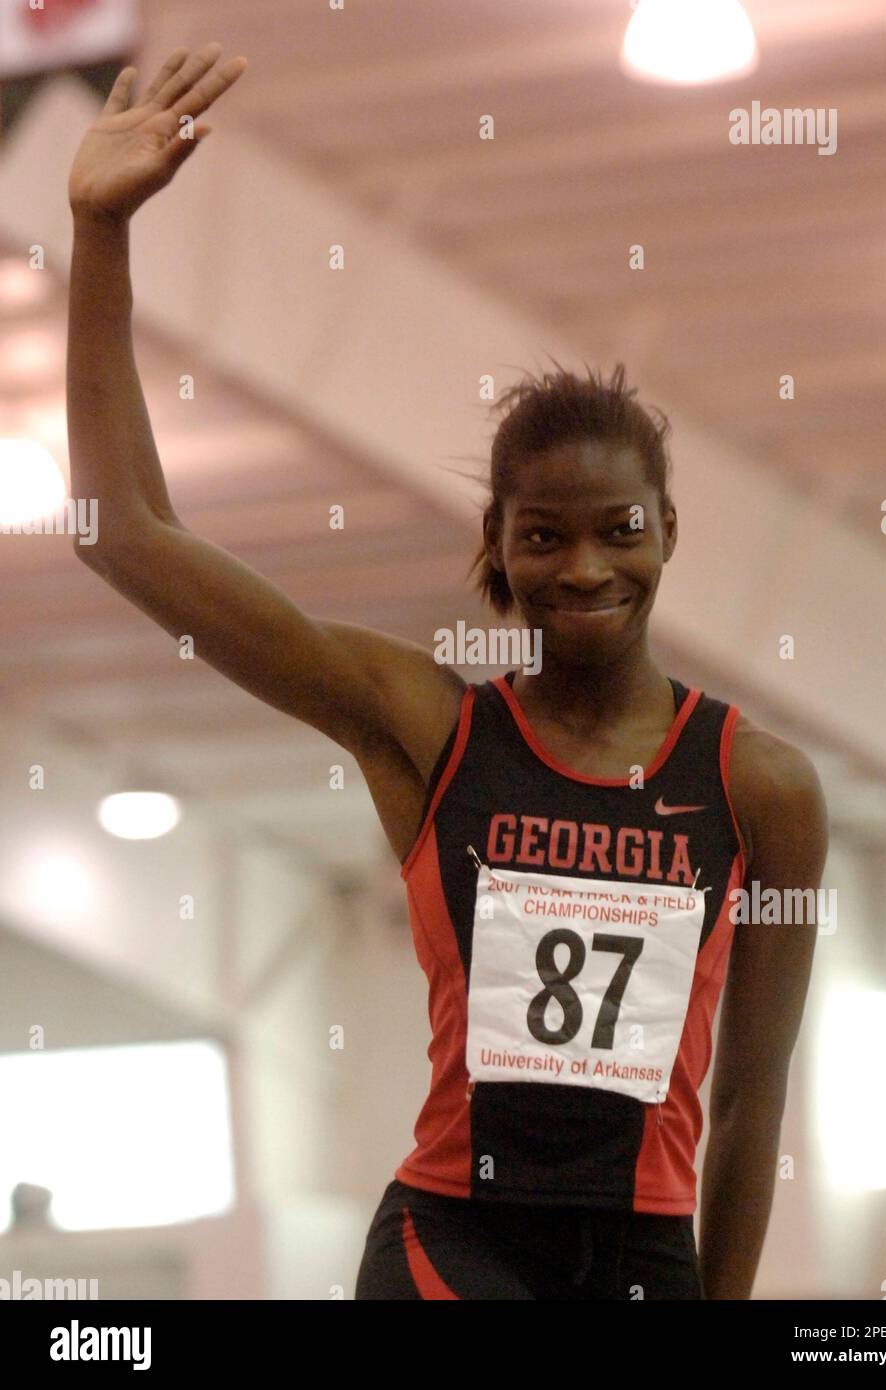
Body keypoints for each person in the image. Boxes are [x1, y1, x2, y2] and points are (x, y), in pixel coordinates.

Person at [65, 43, 829, 1301]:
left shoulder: (762, 785)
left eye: (618, 531)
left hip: (645, 1256)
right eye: (545, 535)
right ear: (498, 544)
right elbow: (123, 534)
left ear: (667, 531)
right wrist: (101, 234)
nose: (585, 567)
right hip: (451, 1245)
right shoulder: (425, 726)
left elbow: (753, 1096)